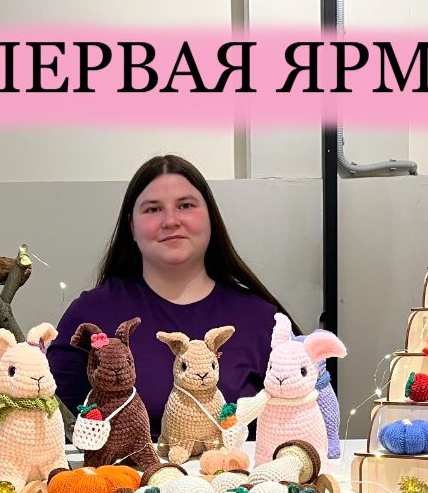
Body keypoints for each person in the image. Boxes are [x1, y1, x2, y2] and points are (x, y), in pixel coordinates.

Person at [48, 154, 299, 439]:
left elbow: (303, 424)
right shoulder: (90, 315)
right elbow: (55, 427)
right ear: (132, 227)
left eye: (185, 205)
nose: (170, 220)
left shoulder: (263, 319)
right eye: (153, 209)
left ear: (210, 217)